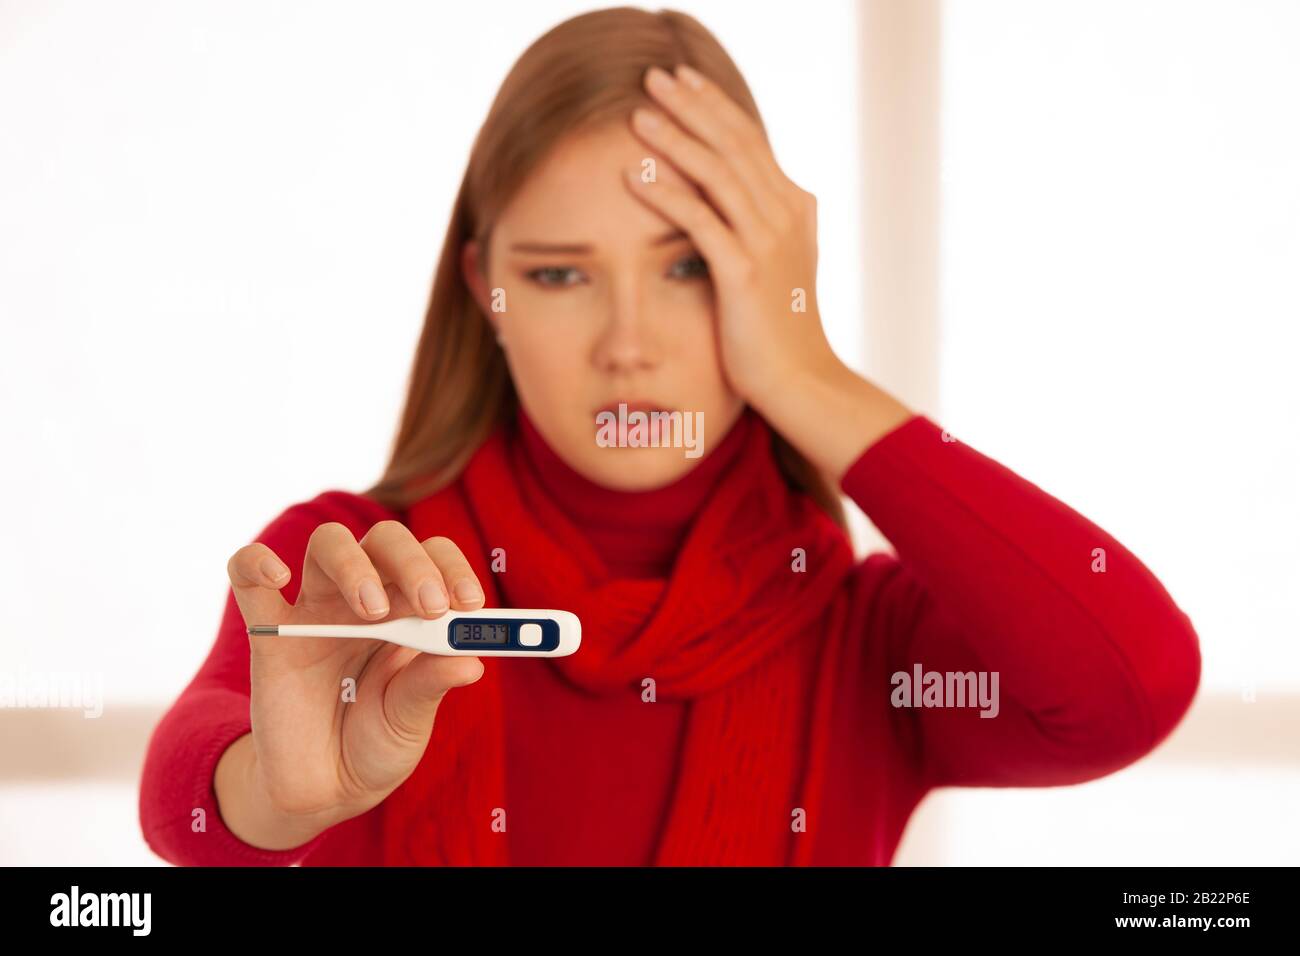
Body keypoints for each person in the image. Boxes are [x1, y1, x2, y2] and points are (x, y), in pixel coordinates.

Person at [138, 7, 1201, 866]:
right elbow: (182, 799)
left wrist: (805, 371)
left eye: (689, 265)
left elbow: (1132, 684)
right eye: (559, 273)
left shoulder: (870, 647)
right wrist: (276, 795)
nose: (629, 344)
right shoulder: (367, 576)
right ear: (486, 290)